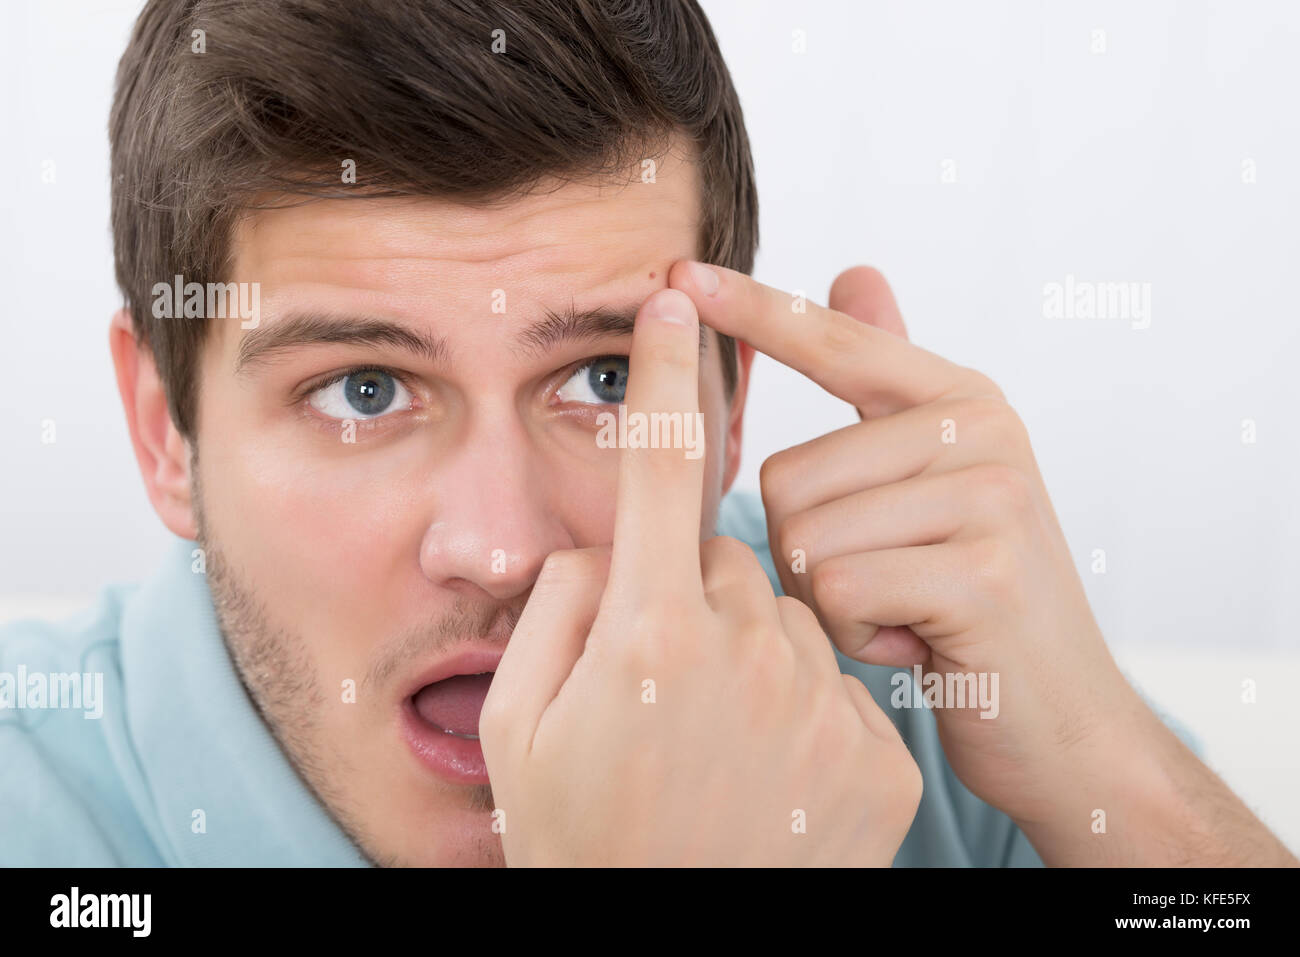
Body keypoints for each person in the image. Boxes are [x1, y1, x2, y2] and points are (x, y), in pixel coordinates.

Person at [1, 0, 1292, 867]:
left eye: (608, 378)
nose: (499, 548)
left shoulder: (901, 681)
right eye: (364, 391)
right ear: (167, 429)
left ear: (729, 407)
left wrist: (1112, 765)